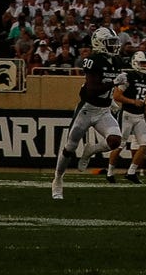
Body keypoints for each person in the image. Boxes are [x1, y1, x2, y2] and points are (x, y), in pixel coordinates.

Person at [51, 29, 127, 201]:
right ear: (99, 43)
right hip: (87, 109)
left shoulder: (116, 61)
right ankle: (57, 179)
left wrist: (112, 101)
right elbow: (93, 90)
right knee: (70, 147)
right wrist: (115, 82)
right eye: (110, 42)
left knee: (115, 140)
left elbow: (107, 89)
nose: (114, 46)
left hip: (103, 110)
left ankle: (90, 150)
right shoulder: (92, 60)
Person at [111, 49, 146, 181]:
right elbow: (116, 95)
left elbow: (140, 96)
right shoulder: (128, 76)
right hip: (127, 114)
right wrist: (132, 101)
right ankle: (110, 172)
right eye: (143, 63)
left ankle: (131, 172)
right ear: (135, 63)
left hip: (139, 116)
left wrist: (145, 106)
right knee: (120, 144)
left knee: (145, 144)